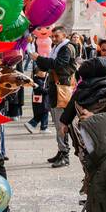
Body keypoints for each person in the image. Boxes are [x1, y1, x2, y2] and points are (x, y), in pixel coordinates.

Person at [31, 31, 77, 168]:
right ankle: (61, 151)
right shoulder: (58, 48)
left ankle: (65, 155)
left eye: (57, 36)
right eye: (53, 36)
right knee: (58, 124)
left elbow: (58, 64)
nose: (54, 38)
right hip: (55, 90)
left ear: (64, 35)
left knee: (61, 124)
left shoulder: (66, 48)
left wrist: (39, 58)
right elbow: (49, 65)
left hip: (61, 90)